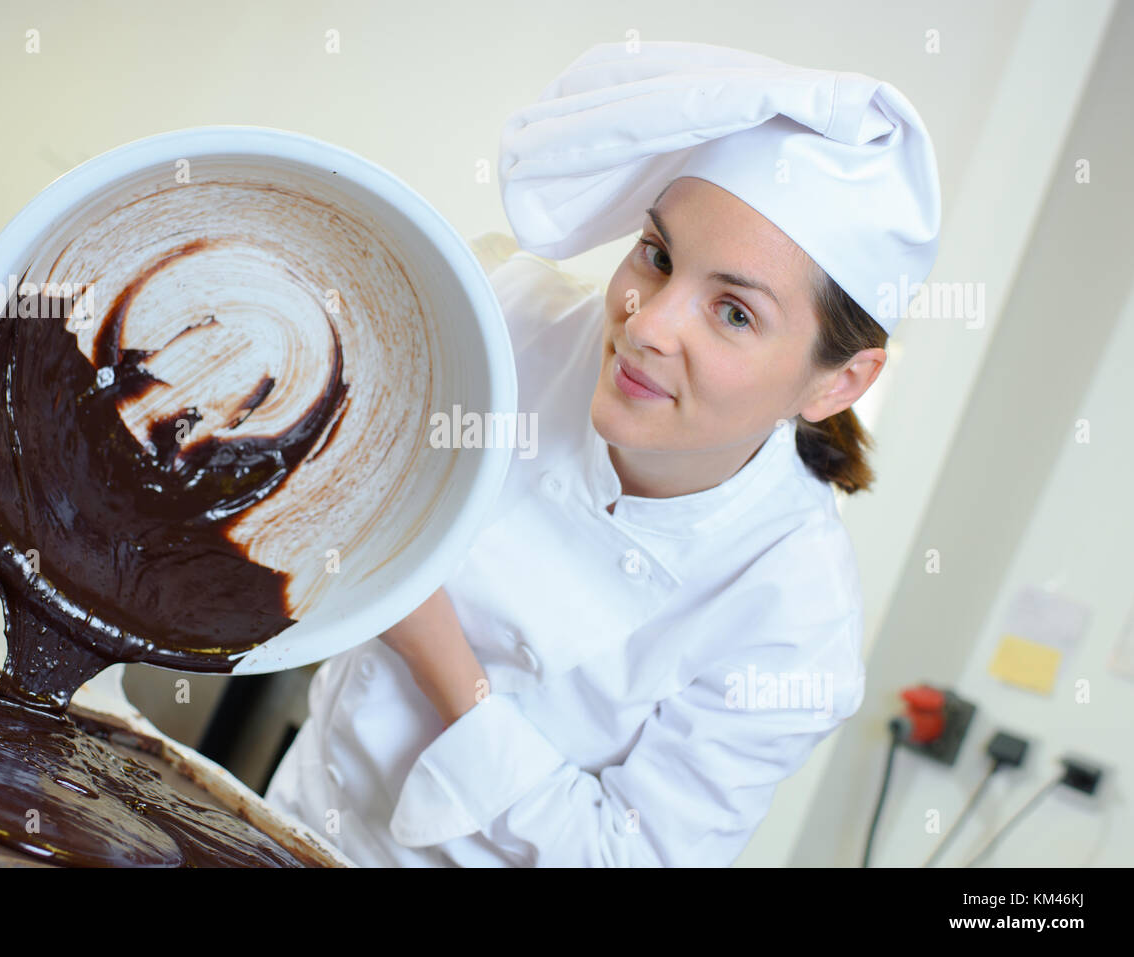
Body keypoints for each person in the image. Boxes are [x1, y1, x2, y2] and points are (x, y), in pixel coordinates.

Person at [265, 39, 941, 866]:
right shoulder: (513, 326)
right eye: (657, 257)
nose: (646, 324)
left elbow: (623, 856)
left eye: (734, 313)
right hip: (293, 810)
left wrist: (434, 645)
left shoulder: (794, 623)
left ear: (838, 384)